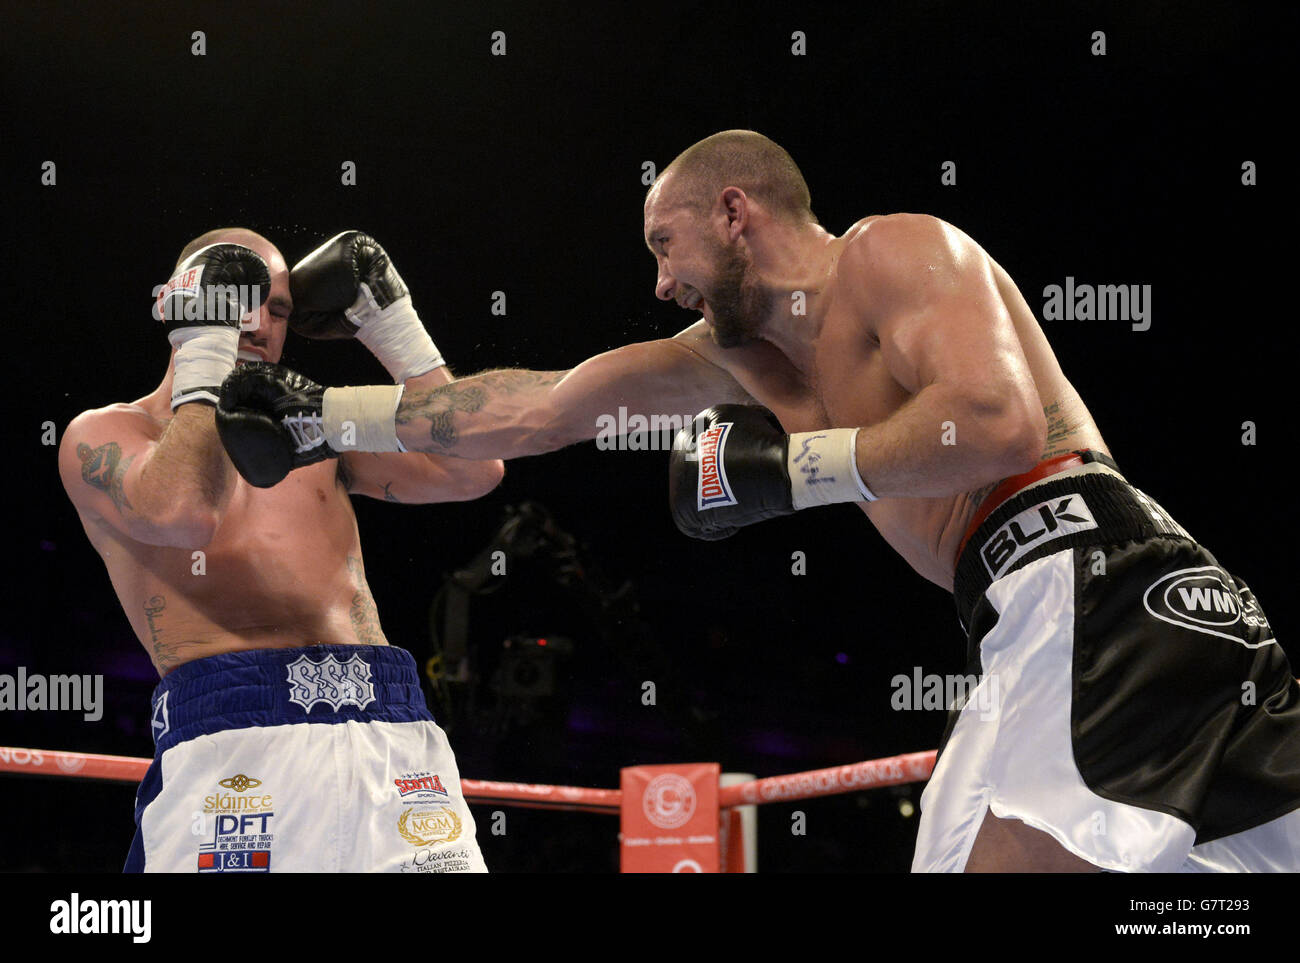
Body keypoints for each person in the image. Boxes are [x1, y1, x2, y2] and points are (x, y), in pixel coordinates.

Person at [218, 132, 1300, 872]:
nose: (659, 281)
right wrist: (324, 411)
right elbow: (532, 411)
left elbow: (999, 422)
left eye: (664, 244)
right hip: (1057, 611)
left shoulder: (893, 251)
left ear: (733, 213)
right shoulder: (730, 360)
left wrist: (798, 470)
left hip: (1088, 578)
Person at [58, 228, 502, 873]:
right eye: (237, 297)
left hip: (392, 731)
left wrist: (392, 325)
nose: (260, 323)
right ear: (181, 303)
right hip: (237, 741)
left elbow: (474, 471)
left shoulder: (312, 422)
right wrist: (206, 352)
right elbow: (183, 513)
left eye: (280, 308)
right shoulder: (107, 433)